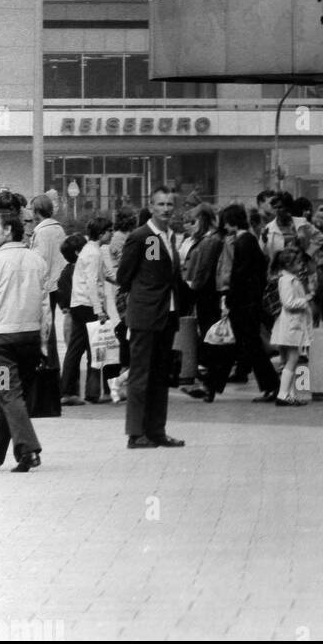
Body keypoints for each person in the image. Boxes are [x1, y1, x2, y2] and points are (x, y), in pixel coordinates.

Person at [117, 186, 186, 449]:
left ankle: (156, 430)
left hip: (166, 315)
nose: (166, 209)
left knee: (159, 375)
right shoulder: (144, 237)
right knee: (141, 375)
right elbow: (125, 276)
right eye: (161, 204)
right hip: (146, 315)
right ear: (151, 206)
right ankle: (136, 433)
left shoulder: (167, 236)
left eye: (170, 204)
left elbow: (164, 274)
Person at [0, 211, 50, 471]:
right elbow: (45, 306)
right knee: (13, 397)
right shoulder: (37, 261)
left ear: (7, 230)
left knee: (8, 395)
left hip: (1, 342)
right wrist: (44, 341)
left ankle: (28, 450)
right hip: (30, 339)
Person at [216, 203, 280, 403]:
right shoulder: (249, 241)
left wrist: (229, 299)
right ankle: (270, 385)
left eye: (226, 223)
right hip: (251, 302)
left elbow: (238, 276)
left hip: (243, 304)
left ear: (230, 222)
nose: (225, 227)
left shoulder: (242, 243)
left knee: (251, 346)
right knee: (251, 346)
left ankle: (271, 385)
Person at [59, 214, 111, 406]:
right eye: (109, 231)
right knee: (94, 349)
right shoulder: (95, 253)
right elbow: (92, 282)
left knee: (76, 348)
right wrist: (99, 309)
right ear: (103, 233)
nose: (111, 234)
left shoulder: (89, 250)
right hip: (88, 305)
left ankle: (66, 391)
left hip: (78, 304)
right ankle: (93, 392)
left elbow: (104, 274)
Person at [180, 205, 222, 403]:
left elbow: (202, 270)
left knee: (208, 337)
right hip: (199, 293)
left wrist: (191, 285)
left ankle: (208, 382)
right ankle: (209, 382)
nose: (189, 225)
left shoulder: (208, 241)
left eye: (193, 221)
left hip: (203, 294)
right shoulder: (205, 240)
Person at [269, 248, 313, 407]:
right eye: (298, 262)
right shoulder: (288, 281)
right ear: (289, 264)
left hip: (288, 324)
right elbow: (288, 302)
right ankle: (283, 394)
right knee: (293, 359)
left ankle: (290, 393)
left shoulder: (287, 278)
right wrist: (306, 300)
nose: (301, 265)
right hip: (292, 324)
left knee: (288, 360)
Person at [30, 194, 67, 371]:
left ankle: (49, 366)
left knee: (46, 329)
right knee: (51, 328)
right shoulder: (59, 229)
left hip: (45, 285)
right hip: (59, 284)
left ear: (38, 211)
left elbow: (39, 260)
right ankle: (53, 366)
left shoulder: (41, 232)